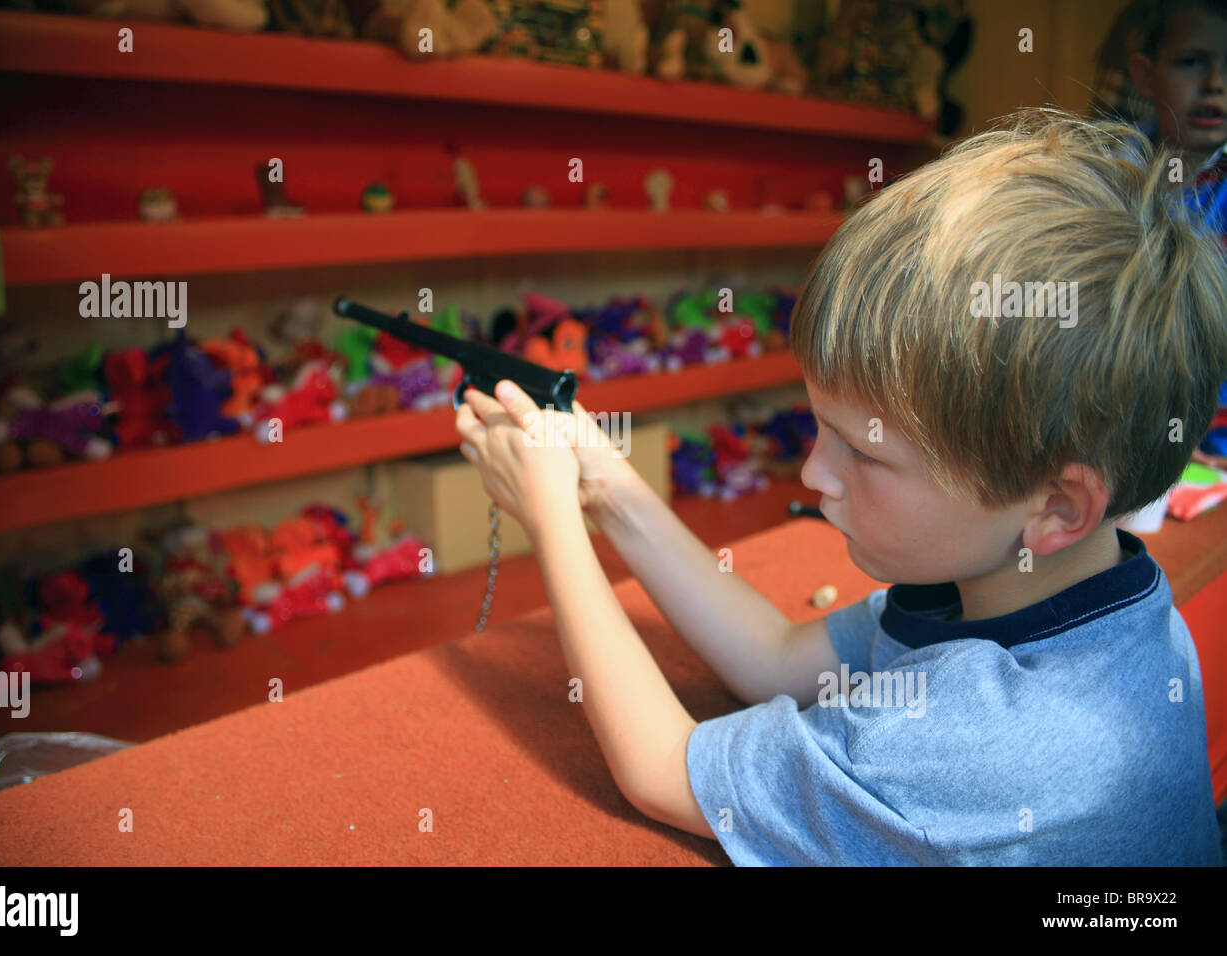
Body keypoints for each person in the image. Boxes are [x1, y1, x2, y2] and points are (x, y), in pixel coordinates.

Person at [454, 108, 1227, 864]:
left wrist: (552, 518)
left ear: (1057, 506)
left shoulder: (984, 741)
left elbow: (663, 770)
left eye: (865, 450)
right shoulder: (1067, 589)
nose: (813, 473)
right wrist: (605, 485)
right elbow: (773, 659)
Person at [1106, 0, 1227, 464]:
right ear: (1145, 76)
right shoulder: (1101, 178)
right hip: (1119, 441)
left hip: (1215, 452)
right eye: (1191, 62)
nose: (1215, 83)